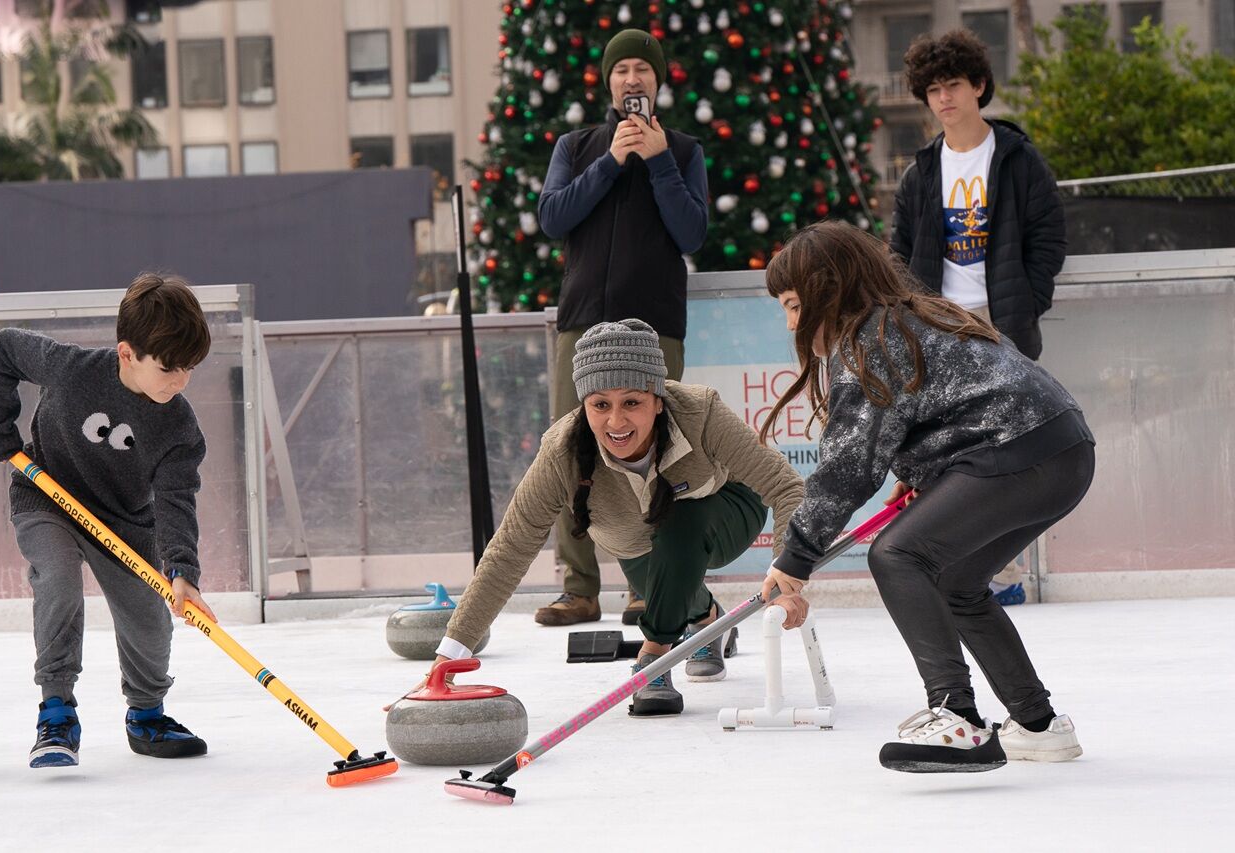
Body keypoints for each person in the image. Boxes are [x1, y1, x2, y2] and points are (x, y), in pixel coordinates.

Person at [759, 222, 1094, 772]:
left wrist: (795, 559)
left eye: (795, 305)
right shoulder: (919, 315)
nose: (792, 323)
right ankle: (1037, 724)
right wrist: (934, 472)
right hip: (1063, 449)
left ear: (830, 288)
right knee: (957, 582)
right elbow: (966, 398)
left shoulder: (870, 340)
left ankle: (954, 715)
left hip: (1013, 454)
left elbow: (847, 468)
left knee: (896, 554)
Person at [416, 320, 801, 716]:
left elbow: (786, 486)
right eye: (600, 405)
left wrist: (789, 571)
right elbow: (511, 548)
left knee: (681, 528)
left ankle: (654, 662)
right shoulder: (561, 452)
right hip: (635, 538)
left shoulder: (699, 411)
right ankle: (708, 621)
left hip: (727, 506)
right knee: (661, 584)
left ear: (658, 399)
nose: (616, 422)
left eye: (631, 402)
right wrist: (450, 652)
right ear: (585, 405)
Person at [0, 273, 217, 769]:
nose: (180, 381)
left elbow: (176, 499)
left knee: (149, 620)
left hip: (125, 523)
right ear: (127, 354)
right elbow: (5, 349)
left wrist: (183, 570)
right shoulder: (71, 368)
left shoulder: (179, 426)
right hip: (46, 498)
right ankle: (57, 711)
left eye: (190, 368)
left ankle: (147, 716)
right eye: (169, 368)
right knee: (59, 582)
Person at [535, 28, 709, 627]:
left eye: (642, 69)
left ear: (658, 82)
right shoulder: (577, 146)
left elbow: (692, 233)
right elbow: (553, 216)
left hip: (654, 321)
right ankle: (580, 585)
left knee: (654, 452)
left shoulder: (683, 150)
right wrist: (612, 161)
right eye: (621, 70)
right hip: (582, 320)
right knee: (571, 448)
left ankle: (646, 582)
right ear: (608, 83)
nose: (631, 79)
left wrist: (658, 161)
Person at [890, 28, 1066, 606]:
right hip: (940, 328)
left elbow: (1048, 237)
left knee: (1010, 448)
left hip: (1000, 326)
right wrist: (918, 314)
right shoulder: (921, 172)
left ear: (979, 87)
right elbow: (898, 250)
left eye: (954, 85)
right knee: (946, 447)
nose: (944, 98)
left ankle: (1006, 575)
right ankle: (956, 566)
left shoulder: (1016, 159)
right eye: (934, 89)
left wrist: (1023, 303)